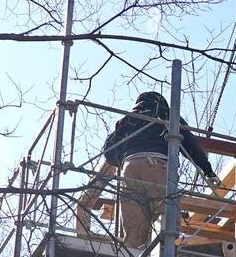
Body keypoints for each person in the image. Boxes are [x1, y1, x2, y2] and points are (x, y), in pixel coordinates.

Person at [77, 91, 220, 246]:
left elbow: (109, 152)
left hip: (129, 169)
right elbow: (192, 147)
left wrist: (126, 158)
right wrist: (208, 171)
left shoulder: (127, 119)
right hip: (157, 165)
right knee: (166, 219)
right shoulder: (167, 115)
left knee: (134, 230)